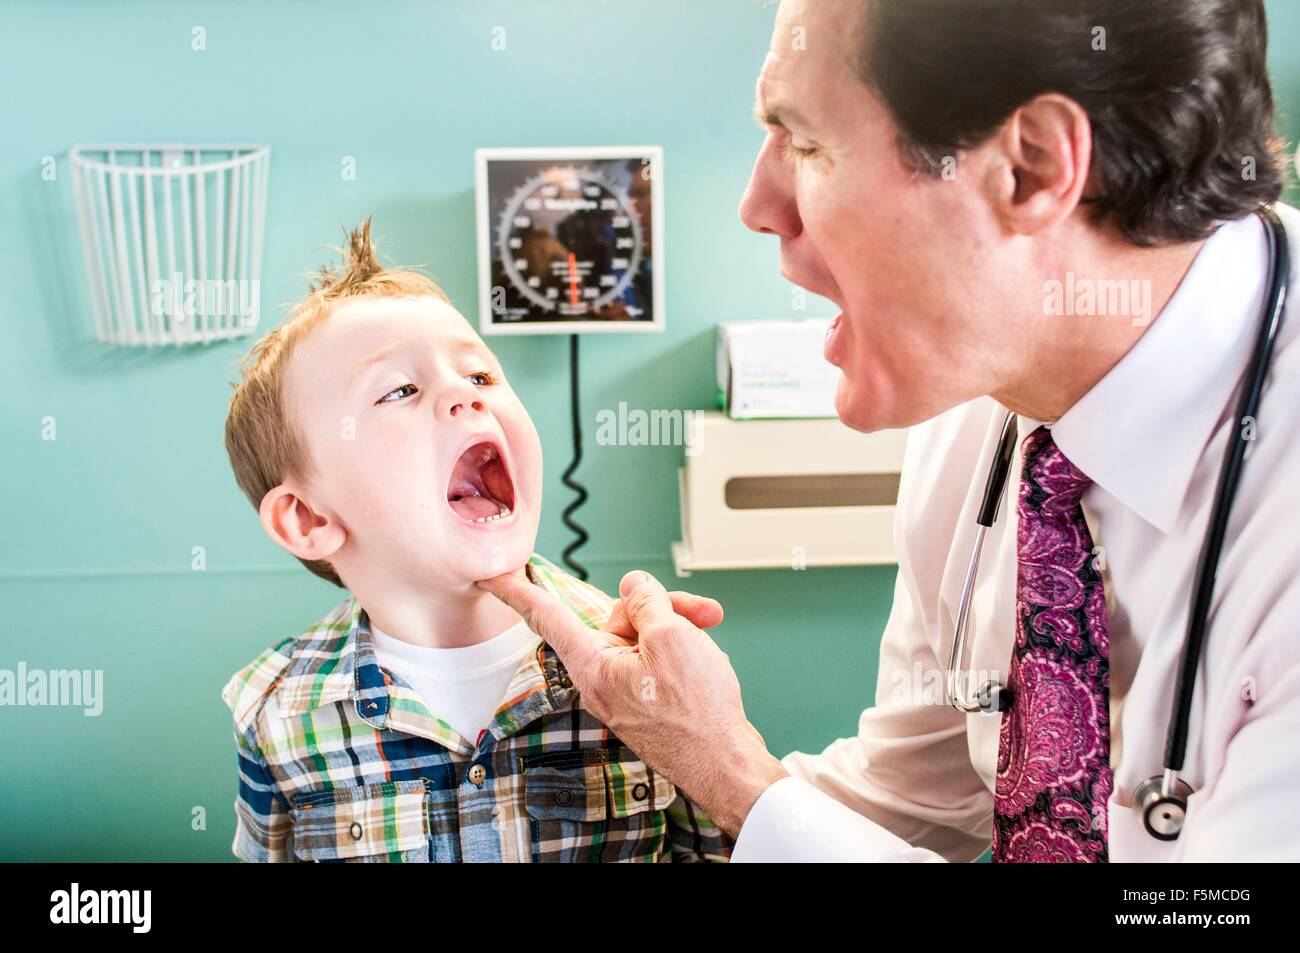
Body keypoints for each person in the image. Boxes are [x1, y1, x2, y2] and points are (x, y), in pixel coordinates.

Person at [478, 0, 1300, 861]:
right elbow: (907, 797)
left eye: (804, 142)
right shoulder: (983, 411)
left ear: (1029, 168)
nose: (759, 205)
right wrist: (660, 795)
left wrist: (732, 772)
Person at [219, 220, 730, 862]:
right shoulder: (272, 710)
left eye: (482, 377)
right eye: (400, 390)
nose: (464, 395)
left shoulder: (651, 668)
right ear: (307, 519)